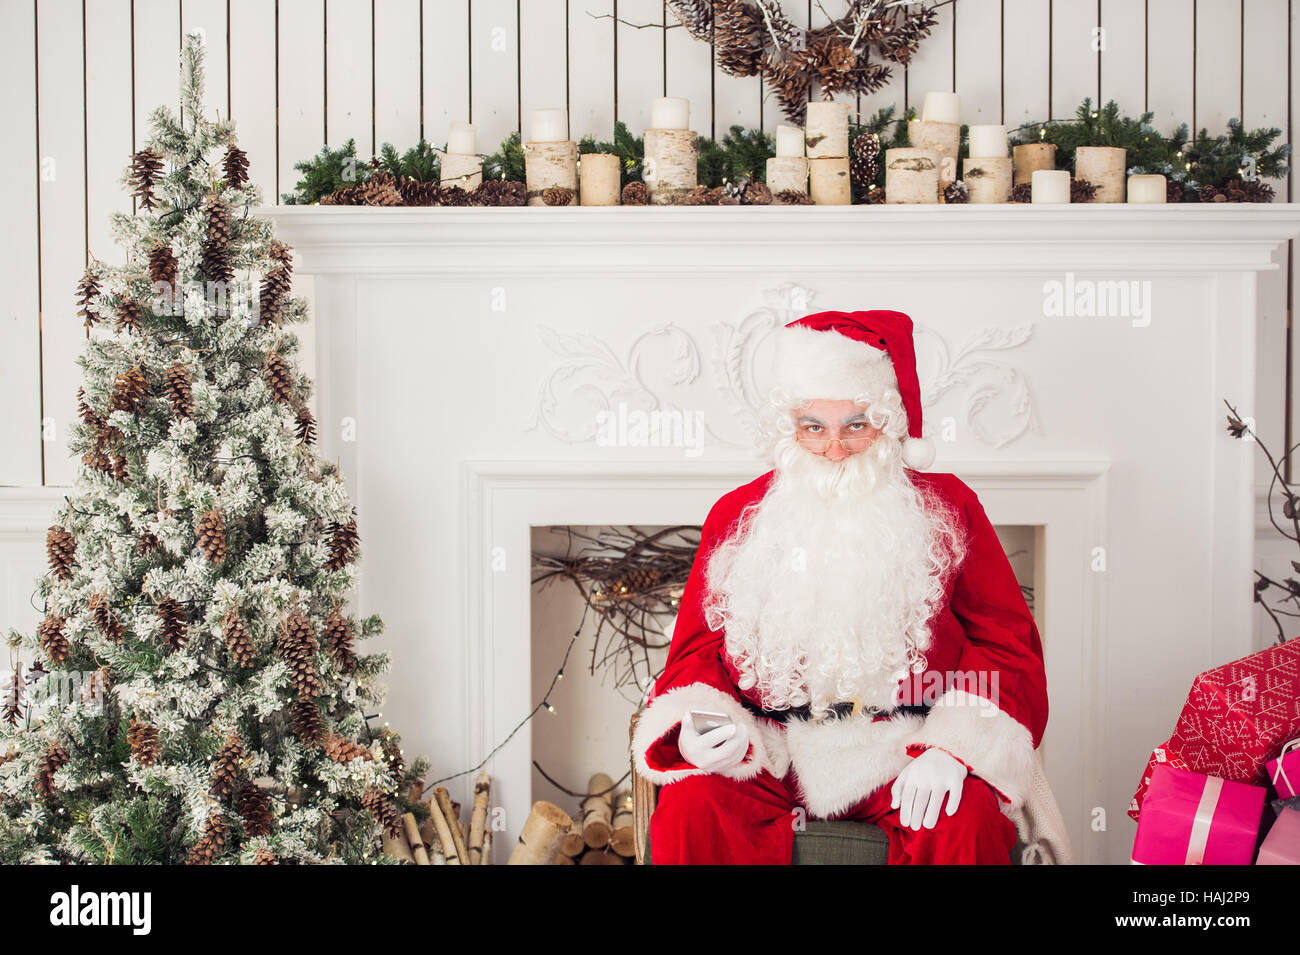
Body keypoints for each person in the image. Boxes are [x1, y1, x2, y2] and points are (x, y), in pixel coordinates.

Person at [631, 309, 1049, 865]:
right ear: (790, 427)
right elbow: (696, 650)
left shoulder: (948, 507)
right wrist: (697, 727)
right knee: (692, 809)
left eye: (856, 425)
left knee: (963, 822)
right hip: (772, 751)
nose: (833, 448)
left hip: (904, 747)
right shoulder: (739, 513)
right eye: (813, 427)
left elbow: (1006, 642)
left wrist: (953, 749)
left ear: (888, 423)